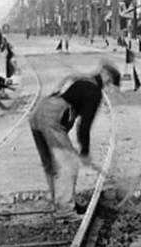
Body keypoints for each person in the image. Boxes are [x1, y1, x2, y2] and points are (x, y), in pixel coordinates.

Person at [29, 62, 121, 219]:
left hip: (38, 113)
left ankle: (61, 203)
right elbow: (84, 125)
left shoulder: (80, 80)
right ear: (105, 75)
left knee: (52, 165)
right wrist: (84, 152)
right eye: (110, 82)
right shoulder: (94, 91)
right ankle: (65, 210)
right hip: (51, 118)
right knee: (68, 163)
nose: (108, 86)